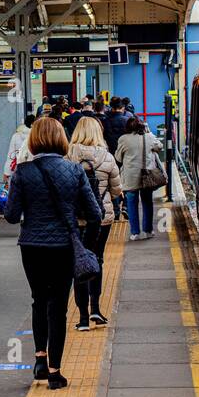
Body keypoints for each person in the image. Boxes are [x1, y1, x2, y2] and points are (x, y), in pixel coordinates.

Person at [4, 117, 100, 390]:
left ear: (33, 141)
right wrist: (85, 240)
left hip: (32, 246)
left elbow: (10, 216)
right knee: (57, 306)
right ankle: (55, 373)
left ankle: (39, 359)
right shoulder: (75, 171)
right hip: (63, 247)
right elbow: (95, 213)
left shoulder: (22, 172)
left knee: (38, 300)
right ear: (61, 139)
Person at [67, 116, 121, 329]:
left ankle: (81, 318)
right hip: (101, 218)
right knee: (96, 260)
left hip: (76, 219)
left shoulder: (68, 157)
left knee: (79, 263)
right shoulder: (107, 157)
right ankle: (96, 310)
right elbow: (117, 191)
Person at [114, 116, 164, 241]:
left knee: (131, 204)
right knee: (147, 202)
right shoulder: (149, 137)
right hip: (147, 176)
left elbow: (118, 158)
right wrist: (149, 132)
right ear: (142, 126)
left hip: (130, 177)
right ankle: (148, 231)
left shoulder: (123, 139)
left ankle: (135, 233)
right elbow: (160, 147)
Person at [3, 112, 33, 181]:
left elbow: (11, 155)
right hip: (33, 172)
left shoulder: (16, 136)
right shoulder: (36, 137)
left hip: (18, 170)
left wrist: (6, 172)